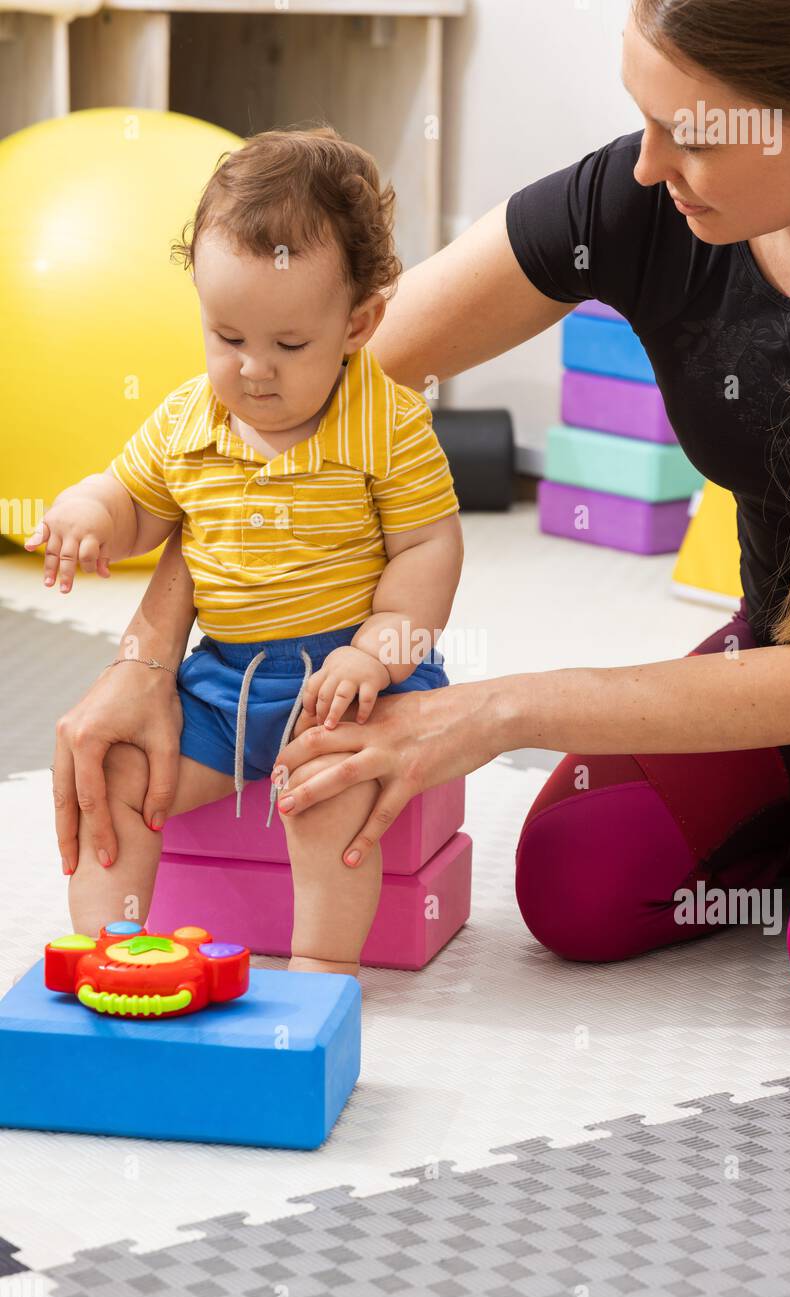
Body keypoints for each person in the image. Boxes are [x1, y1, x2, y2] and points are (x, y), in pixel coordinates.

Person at [50, 0, 790, 1029]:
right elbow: (286, 424)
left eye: (694, 134)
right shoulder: (642, 197)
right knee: (579, 882)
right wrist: (146, 655)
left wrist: (487, 712)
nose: (648, 166)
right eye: (644, 118)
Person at [28, 126, 463, 977]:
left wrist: (378, 651)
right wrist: (87, 511)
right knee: (118, 763)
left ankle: (318, 975)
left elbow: (426, 547)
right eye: (226, 337)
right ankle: (113, 951)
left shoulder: (388, 424)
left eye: (287, 345)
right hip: (224, 682)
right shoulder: (189, 420)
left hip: (349, 684)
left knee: (325, 790)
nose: (252, 370)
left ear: (358, 322)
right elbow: (136, 506)